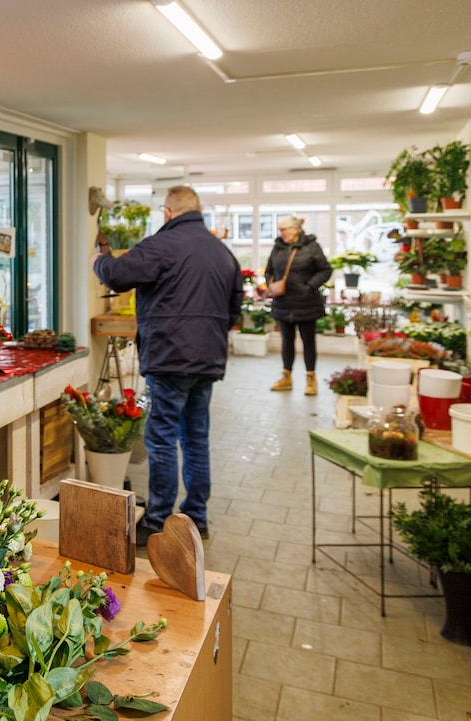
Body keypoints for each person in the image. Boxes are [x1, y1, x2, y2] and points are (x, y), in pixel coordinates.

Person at [92, 185, 243, 546]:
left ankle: (158, 519)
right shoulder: (223, 253)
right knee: (195, 438)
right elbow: (235, 308)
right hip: (207, 360)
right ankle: (197, 517)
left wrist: (98, 258)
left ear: (168, 212)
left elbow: (117, 275)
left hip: (169, 357)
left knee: (161, 440)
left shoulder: (161, 245)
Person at [263, 215, 332, 396]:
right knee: (287, 341)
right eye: (280, 230)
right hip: (283, 303)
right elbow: (269, 270)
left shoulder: (311, 246)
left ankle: (311, 378)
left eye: (284, 229)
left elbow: (325, 270)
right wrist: (271, 284)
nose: (281, 233)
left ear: (296, 229)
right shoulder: (278, 247)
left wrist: (309, 286)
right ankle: (286, 377)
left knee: (308, 341)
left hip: (306, 303)